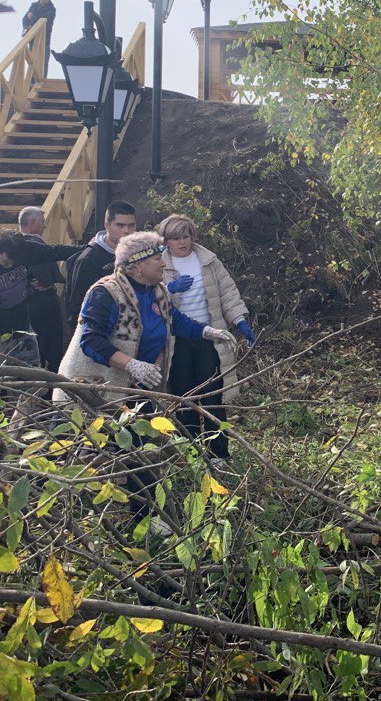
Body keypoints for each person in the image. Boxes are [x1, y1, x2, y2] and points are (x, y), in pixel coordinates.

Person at [56, 232, 237, 520]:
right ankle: (73, 510)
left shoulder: (158, 291)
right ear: (136, 266)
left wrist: (206, 331)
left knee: (143, 451)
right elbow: (90, 341)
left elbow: (173, 319)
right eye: (156, 259)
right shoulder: (105, 293)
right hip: (95, 388)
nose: (162, 264)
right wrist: (131, 364)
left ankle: (144, 515)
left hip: (139, 388)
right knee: (87, 449)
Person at [157, 214, 257, 461]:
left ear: (192, 236)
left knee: (214, 395)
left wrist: (240, 320)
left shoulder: (208, 261)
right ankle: (190, 454)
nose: (182, 242)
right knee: (183, 396)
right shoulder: (158, 263)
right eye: (175, 238)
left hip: (210, 337)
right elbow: (150, 297)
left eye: (186, 236)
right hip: (176, 341)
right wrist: (169, 290)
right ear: (166, 241)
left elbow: (227, 292)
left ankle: (219, 454)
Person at [0, 229, 80, 368]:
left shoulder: (22, 248)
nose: (10, 266)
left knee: (31, 376)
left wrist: (89, 247)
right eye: (6, 262)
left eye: (14, 263)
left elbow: (54, 251)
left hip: (19, 327)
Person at [63, 200, 138, 335]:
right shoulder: (89, 259)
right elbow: (76, 307)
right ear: (107, 226)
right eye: (120, 225)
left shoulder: (138, 253)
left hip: (132, 331)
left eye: (131, 225)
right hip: (101, 333)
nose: (126, 231)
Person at [19, 206, 67, 370]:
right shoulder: (35, 243)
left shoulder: (11, 245)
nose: (45, 226)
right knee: (50, 347)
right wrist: (47, 282)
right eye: (42, 222)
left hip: (21, 306)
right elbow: (47, 276)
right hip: (42, 304)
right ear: (32, 222)